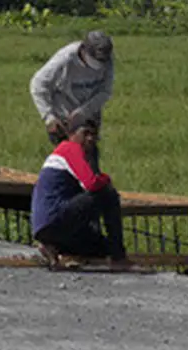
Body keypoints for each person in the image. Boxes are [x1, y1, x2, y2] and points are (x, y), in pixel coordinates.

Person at [32, 115, 126, 264]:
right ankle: (119, 256)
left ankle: (53, 246)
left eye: (94, 136)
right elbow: (91, 184)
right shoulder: (70, 149)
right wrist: (107, 179)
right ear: (72, 134)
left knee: (101, 248)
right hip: (54, 219)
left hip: (47, 227)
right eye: (85, 133)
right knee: (108, 194)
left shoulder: (64, 153)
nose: (90, 139)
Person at [29, 30, 115, 142]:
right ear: (84, 50)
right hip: (63, 116)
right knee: (66, 154)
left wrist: (84, 112)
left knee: (88, 154)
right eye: (95, 60)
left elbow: (105, 91)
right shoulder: (65, 58)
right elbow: (38, 83)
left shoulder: (107, 60)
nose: (99, 65)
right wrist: (49, 117)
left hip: (90, 112)